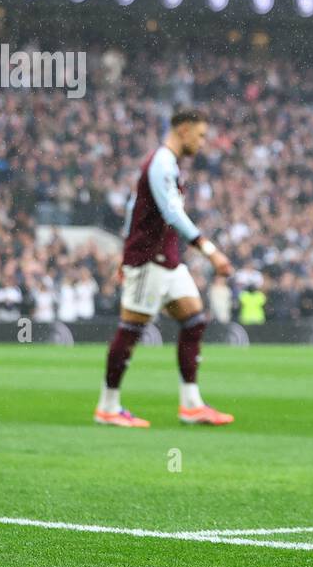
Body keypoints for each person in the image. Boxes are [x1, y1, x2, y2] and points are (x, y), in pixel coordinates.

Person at [96, 109, 235, 428]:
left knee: (194, 320)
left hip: (167, 259)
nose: (202, 143)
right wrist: (210, 251)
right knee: (131, 329)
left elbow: (135, 206)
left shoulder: (167, 163)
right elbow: (172, 213)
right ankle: (108, 406)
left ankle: (191, 405)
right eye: (199, 135)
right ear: (183, 130)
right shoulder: (160, 162)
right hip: (148, 259)